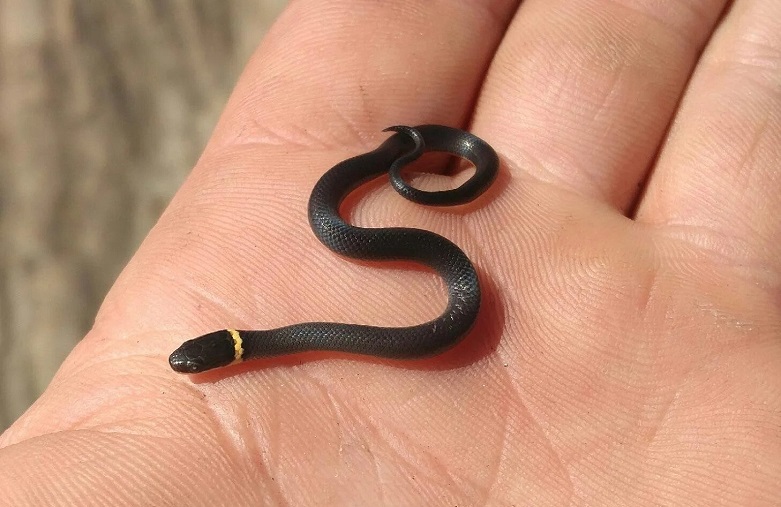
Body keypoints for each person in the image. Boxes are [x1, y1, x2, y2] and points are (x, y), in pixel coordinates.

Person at [2, 1, 779, 504]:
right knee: (335, 217)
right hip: (391, 204)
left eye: (200, 358)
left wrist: (404, 169)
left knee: (339, 217)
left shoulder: (310, 306)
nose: (195, 362)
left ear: (228, 356)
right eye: (200, 358)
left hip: (406, 197)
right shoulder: (289, 324)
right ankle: (404, 160)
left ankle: (409, 159)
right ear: (226, 354)